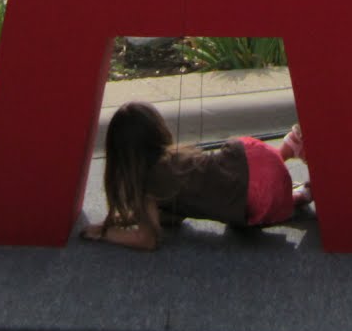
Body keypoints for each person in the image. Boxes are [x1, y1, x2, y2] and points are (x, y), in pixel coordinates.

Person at [79, 102, 312, 250]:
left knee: (248, 209)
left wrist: (106, 233)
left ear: (121, 157)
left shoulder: (147, 182)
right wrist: (124, 220)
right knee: (253, 175)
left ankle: (300, 195)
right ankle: (292, 145)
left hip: (260, 193)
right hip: (253, 154)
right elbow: (173, 218)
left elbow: (147, 239)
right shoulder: (175, 158)